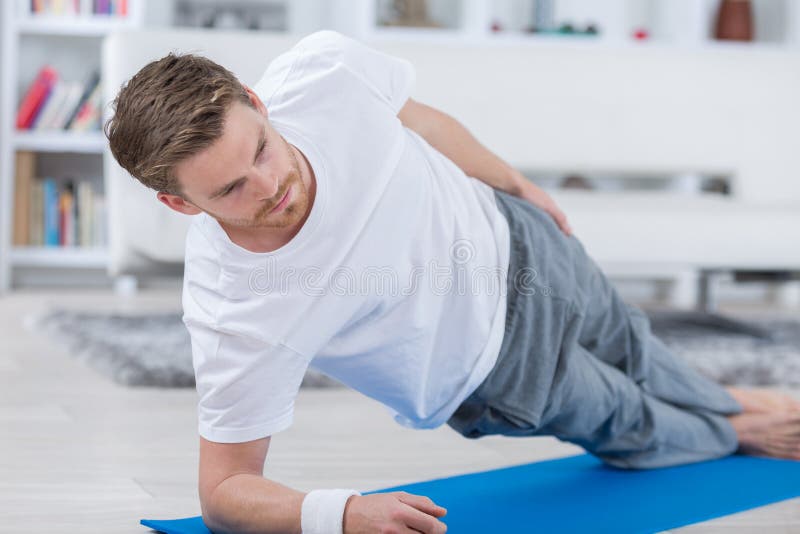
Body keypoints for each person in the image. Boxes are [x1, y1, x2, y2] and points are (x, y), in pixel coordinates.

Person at [105, 30, 800, 534]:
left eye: (261, 147)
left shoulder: (324, 74)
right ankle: (737, 428)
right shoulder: (236, 308)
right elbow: (224, 493)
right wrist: (340, 515)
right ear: (181, 204)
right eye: (232, 188)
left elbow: (425, 122)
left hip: (520, 243)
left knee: (639, 348)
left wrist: (517, 183)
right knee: (636, 425)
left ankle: (724, 405)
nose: (272, 185)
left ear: (257, 101)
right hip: (494, 369)